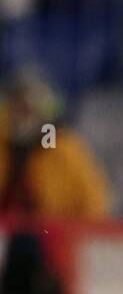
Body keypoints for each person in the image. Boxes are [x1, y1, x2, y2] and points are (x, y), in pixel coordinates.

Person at [0, 67, 109, 220]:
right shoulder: (4, 143)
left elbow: (95, 204)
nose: (24, 117)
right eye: (19, 107)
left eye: (30, 110)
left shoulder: (63, 148)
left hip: (53, 236)